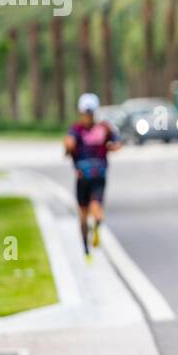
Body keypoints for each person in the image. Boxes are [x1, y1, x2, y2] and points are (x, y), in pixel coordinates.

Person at [64, 93, 121, 260]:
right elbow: (117, 143)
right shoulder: (99, 128)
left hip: (89, 176)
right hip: (92, 175)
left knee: (88, 212)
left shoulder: (81, 129)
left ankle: (88, 245)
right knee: (90, 210)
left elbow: (69, 144)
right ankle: (92, 232)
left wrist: (68, 150)